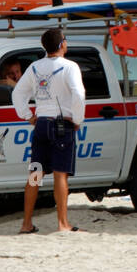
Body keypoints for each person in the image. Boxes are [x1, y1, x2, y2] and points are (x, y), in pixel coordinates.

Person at [12, 28, 86, 233]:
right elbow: (79, 94)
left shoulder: (35, 67)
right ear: (62, 43)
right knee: (60, 174)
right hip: (62, 125)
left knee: (35, 173)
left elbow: (18, 93)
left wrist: (28, 115)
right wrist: (78, 119)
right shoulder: (70, 66)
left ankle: (26, 223)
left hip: (41, 124)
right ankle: (63, 223)